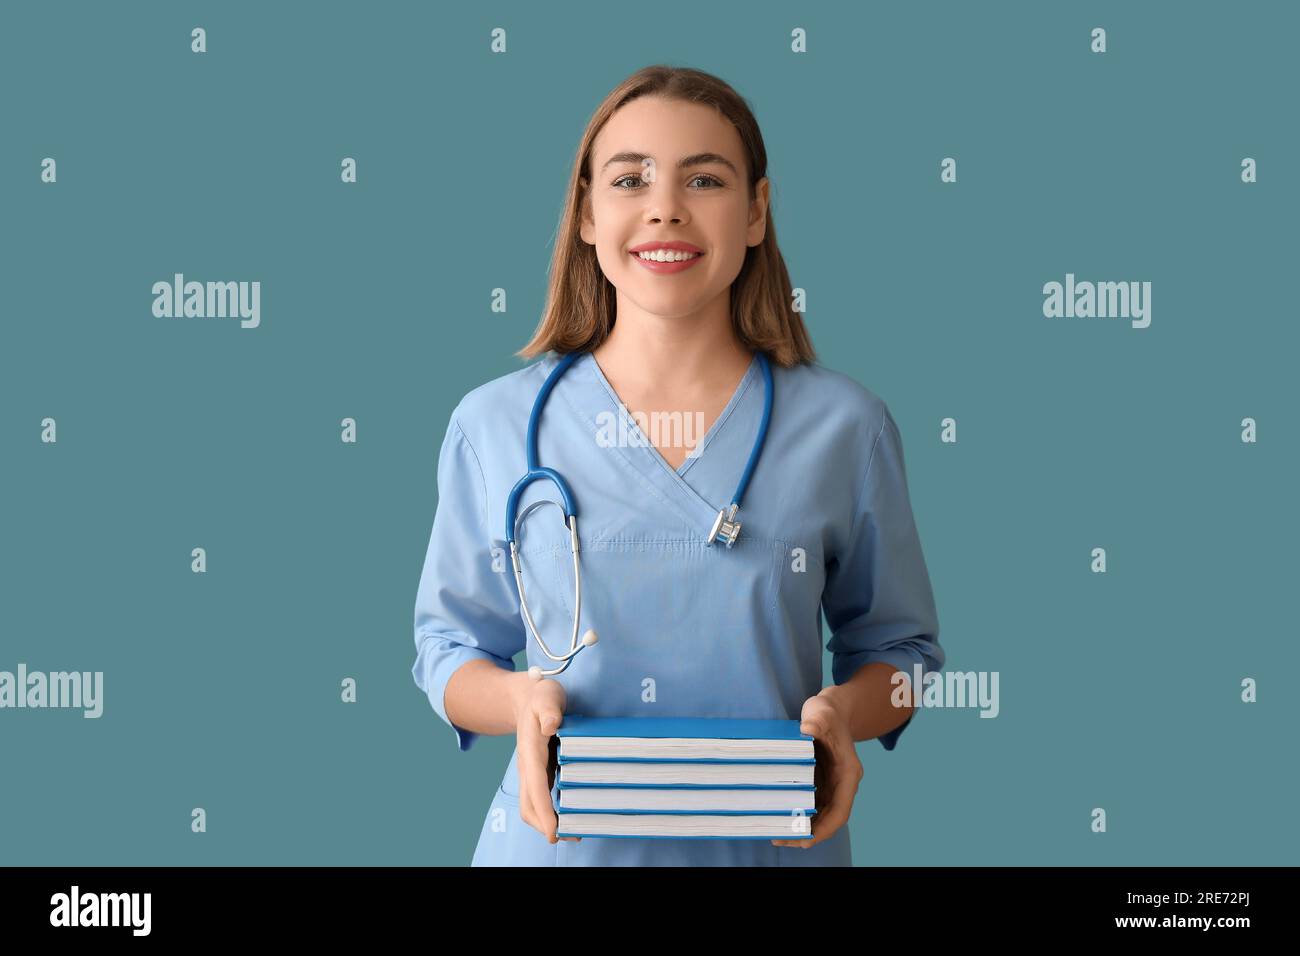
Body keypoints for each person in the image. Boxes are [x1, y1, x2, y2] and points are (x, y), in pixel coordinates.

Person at [412, 65, 943, 866]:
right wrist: (520, 698)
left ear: (757, 212)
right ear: (587, 214)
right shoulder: (492, 424)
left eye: (705, 178)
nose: (666, 206)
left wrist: (841, 713)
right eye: (630, 179)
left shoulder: (846, 427)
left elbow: (903, 658)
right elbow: (446, 653)